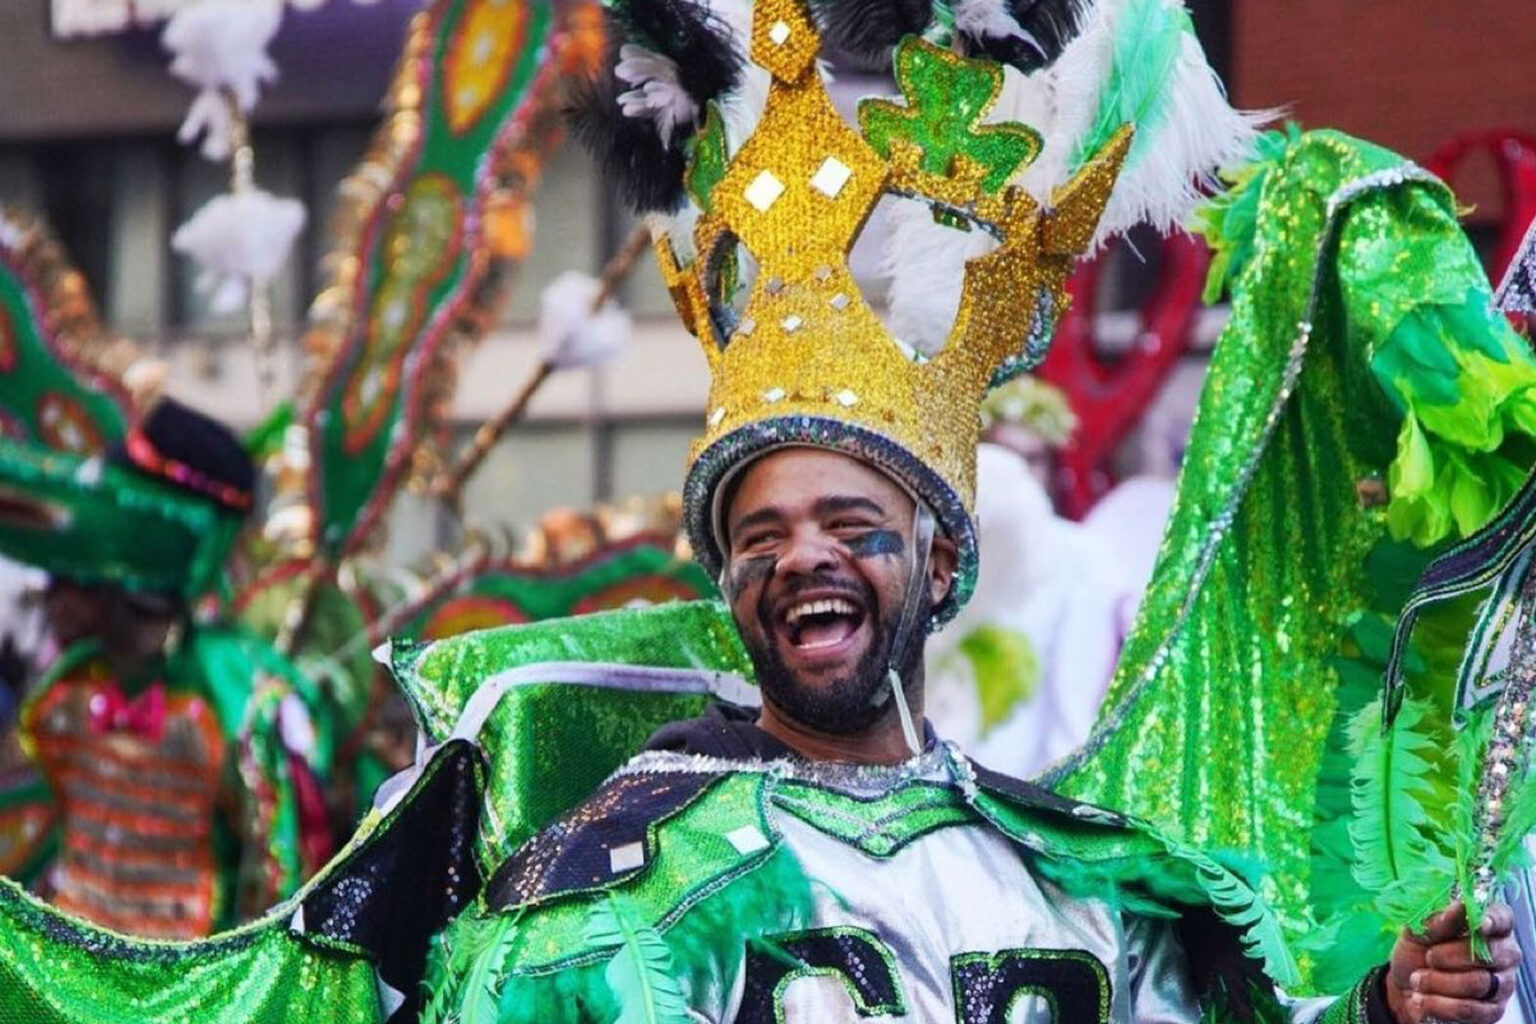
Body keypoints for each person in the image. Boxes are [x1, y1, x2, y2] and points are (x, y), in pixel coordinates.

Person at [419, 4, 1522, 1021]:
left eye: (850, 526)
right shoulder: (605, 903)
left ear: (942, 559)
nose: (804, 558)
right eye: (761, 537)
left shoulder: (1079, 885)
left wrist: (1392, 1005)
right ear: (728, 583)